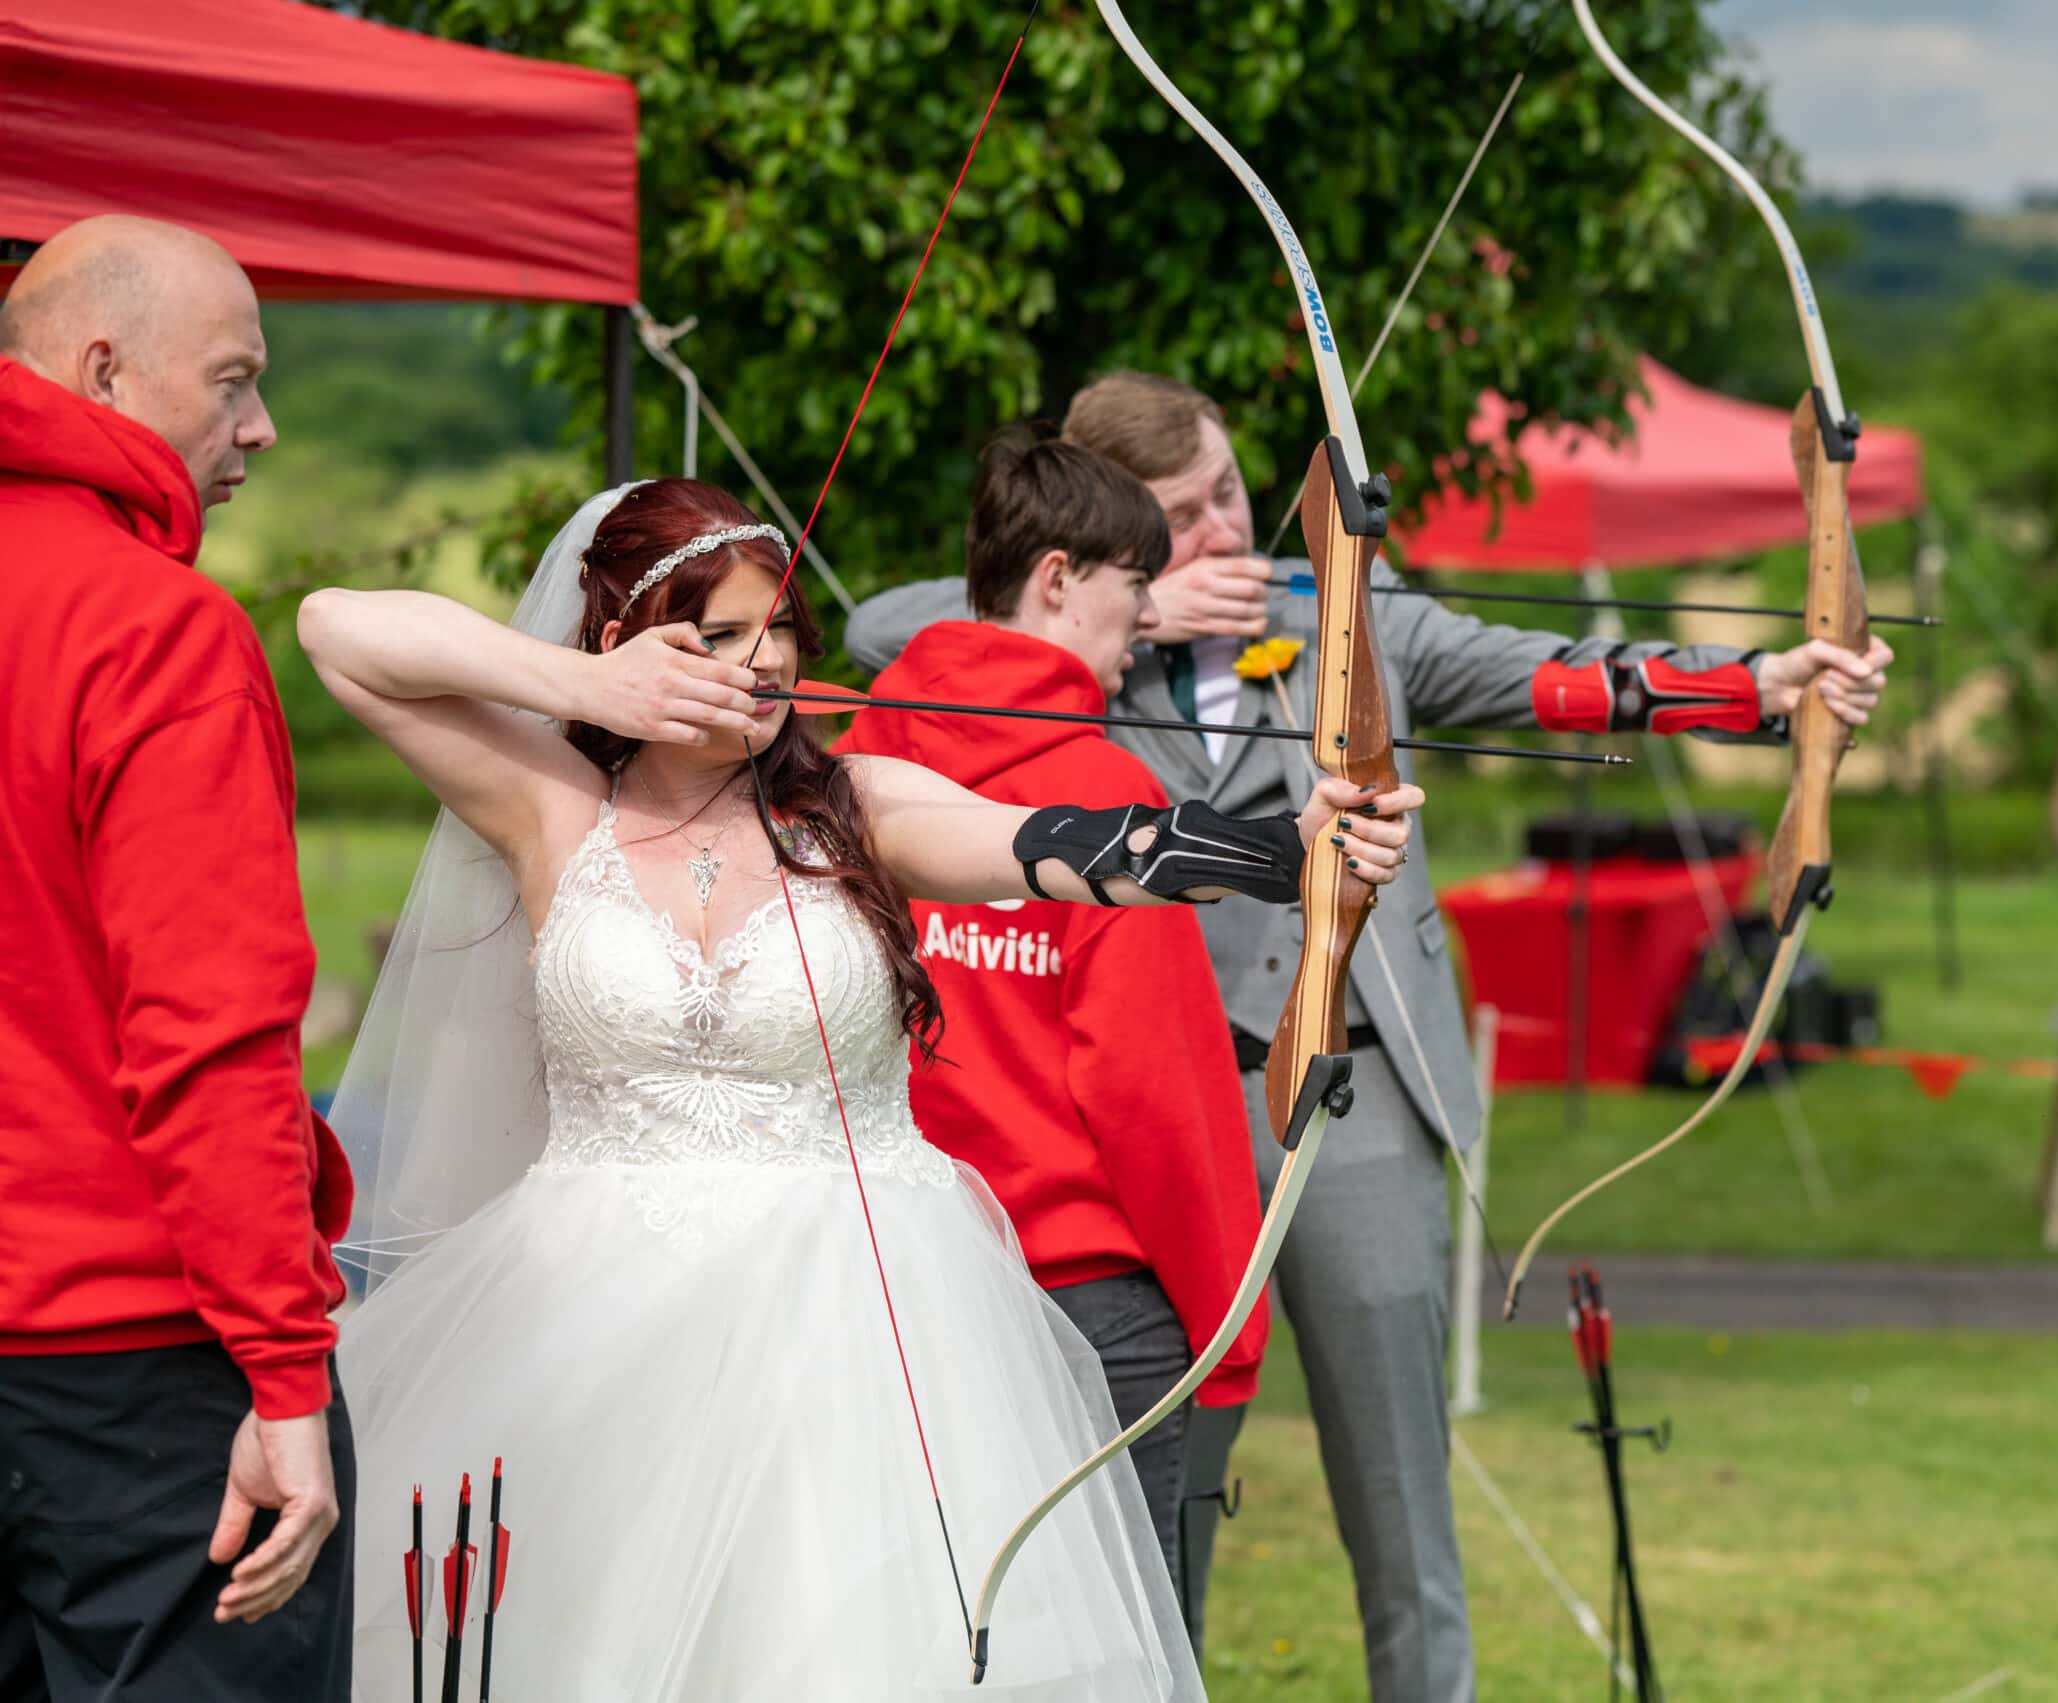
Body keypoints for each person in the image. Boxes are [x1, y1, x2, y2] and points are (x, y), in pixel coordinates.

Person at [847, 369, 1893, 1703]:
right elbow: (898, 625)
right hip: (1146, 1115)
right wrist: (1144, 598)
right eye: (1183, 513)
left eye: (1229, 493)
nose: (1226, 531)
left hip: (1343, 1088)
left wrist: (1757, 686)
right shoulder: (1069, 639)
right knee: (1169, 1467)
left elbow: (1545, 675)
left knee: (1398, 1475)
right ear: (1102, 538)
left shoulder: (1327, 602)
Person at [303, 476, 1420, 1700]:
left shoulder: (859, 802)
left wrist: (1286, 851)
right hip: (589, 1319)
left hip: (851, 1326)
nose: (764, 659)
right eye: (718, 633)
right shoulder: (549, 803)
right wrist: (584, 688)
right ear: (628, 639)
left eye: (776, 626)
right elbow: (337, 631)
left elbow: (1060, 847)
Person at [0, 215, 355, 1699]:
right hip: (128, 1359)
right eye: (232, 381)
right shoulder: (151, 627)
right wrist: (285, 1370)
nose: (259, 426)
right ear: (103, 368)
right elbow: (209, 1037)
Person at [833, 429, 1269, 1622]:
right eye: (1136, 585)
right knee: (1126, 1646)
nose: (1146, 618)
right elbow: (1151, 1088)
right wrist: (1229, 1312)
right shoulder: (1113, 796)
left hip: (884, 1283)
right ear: (1060, 578)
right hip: (1083, 1299)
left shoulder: (854, 764)